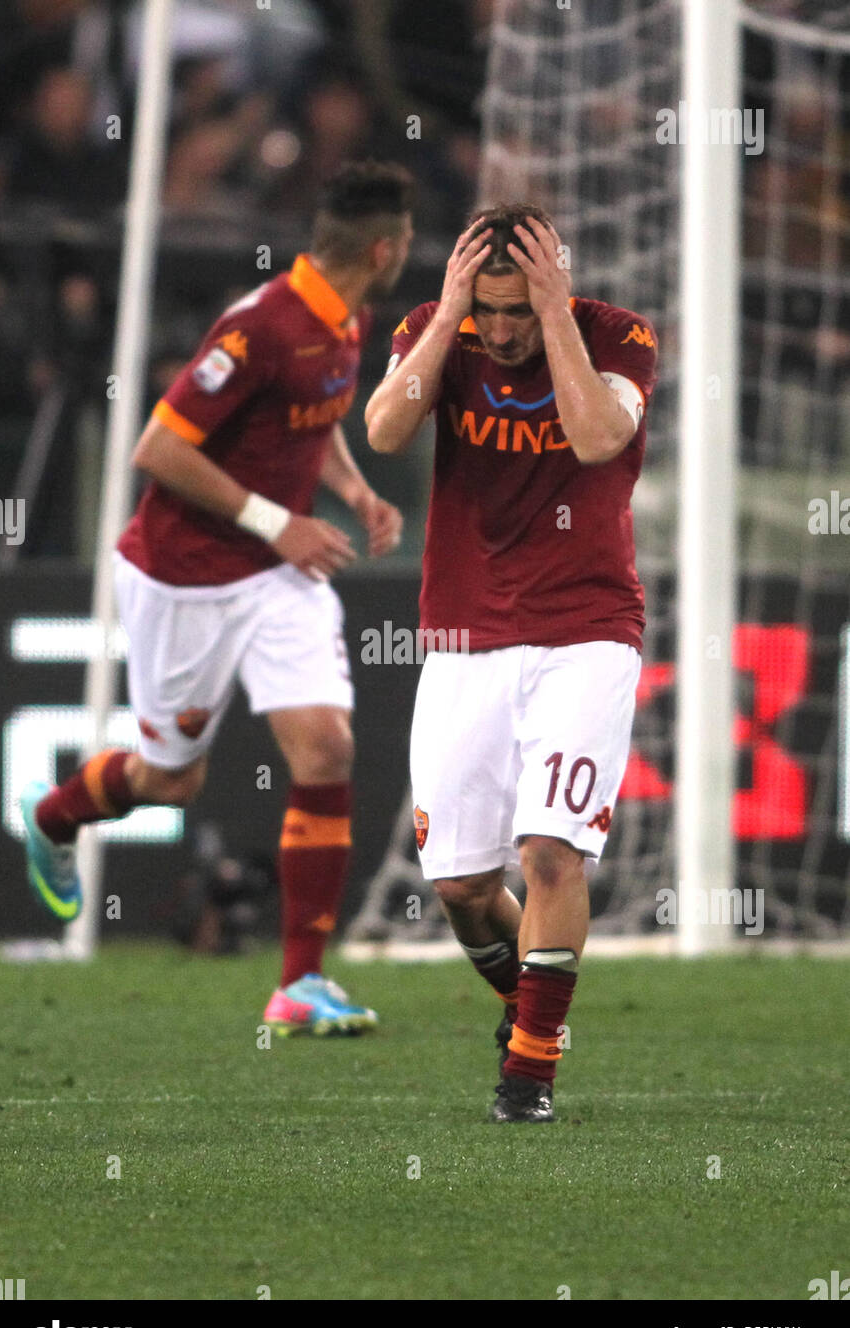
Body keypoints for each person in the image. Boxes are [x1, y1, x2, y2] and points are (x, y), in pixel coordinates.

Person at [21, 159, 414, 1037]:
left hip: (277, 578)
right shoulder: (261, 327)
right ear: (385, 248)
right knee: (172, 779)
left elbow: (311, 418)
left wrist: (352, 493)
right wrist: (279, 521)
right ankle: (53, 818)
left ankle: (300, 985)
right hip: (183, 575)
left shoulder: (347, 318)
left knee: (324, 748)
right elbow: (157, 448)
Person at [365, 204, 658, 1120]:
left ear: (551, 289)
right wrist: (446, 310)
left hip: (586, 630)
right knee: (456, 884)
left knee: (547, 853)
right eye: (484, 310)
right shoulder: (438, 331)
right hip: (462, 632)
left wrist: (556, 316)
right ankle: (527, 1008)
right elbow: (381, 433)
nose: (498, 330)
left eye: (515, 309)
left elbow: (596, 437)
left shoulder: (619, 337)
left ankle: (529, 1074)